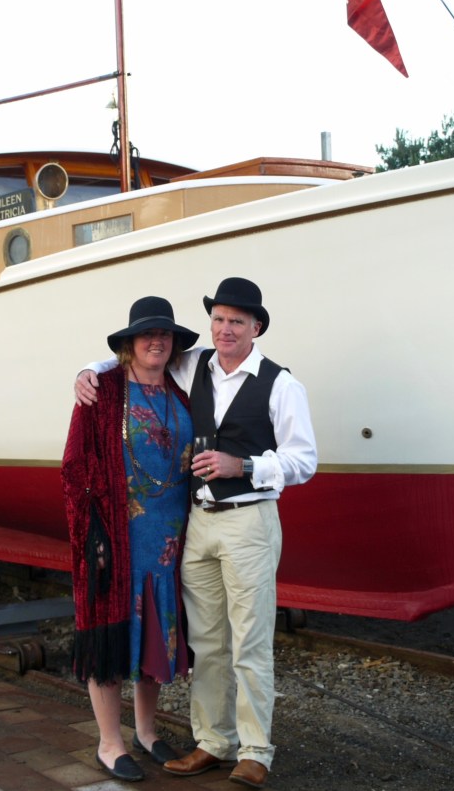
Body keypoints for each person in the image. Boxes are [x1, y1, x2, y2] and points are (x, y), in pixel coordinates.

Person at [75, 277, 317, 789]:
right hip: (197, 527)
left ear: (257, 327)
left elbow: (304, 460)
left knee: (249, 642)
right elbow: (135, 363)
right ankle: (213, 741)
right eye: (220, 319)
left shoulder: (281, 384)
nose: (226, 329)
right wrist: (88, 369)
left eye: (237, 321)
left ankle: (255, 750)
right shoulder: (196, 365)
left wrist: (244, 465)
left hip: (246, 522)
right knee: (207, 643)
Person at [62, 295, 199, 783]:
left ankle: (145, 731)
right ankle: (109, 742)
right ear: (129, 343)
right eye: (147, 335)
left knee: (155, 633)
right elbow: (75, 464)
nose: (157, 342)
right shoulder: (102, 389)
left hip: (170, 535)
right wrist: (93, 528)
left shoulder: (181, 390)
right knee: (111, 631)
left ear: (174, 344)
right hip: (116, 536)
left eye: (165, 336)